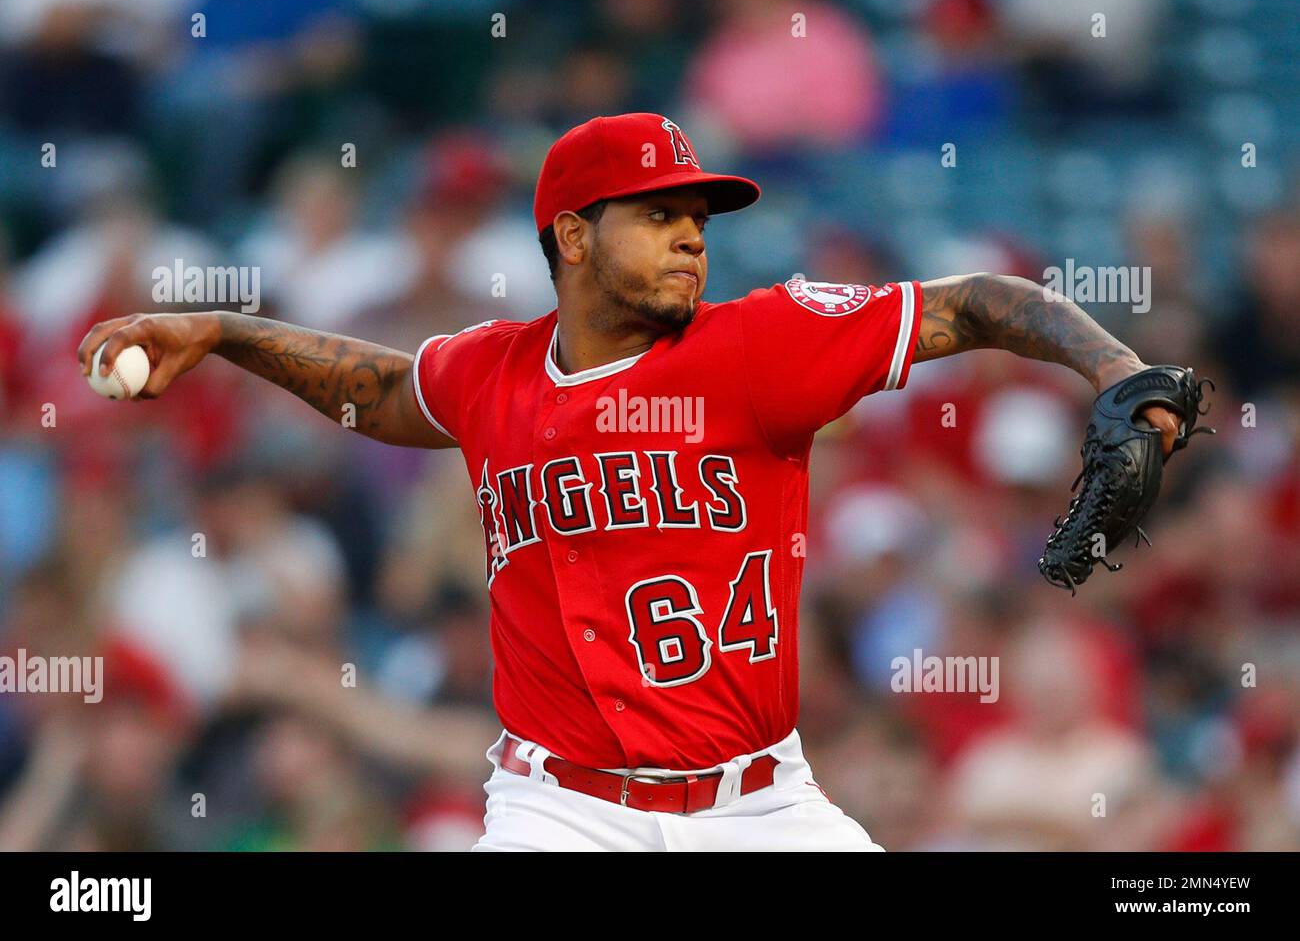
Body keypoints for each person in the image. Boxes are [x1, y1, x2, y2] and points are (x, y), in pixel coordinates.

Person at [77, 112, 1182, 851]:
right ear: (571, 232)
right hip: (558, 808)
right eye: (659, 216)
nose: (691, 240)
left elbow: (979, 300)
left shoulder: (762, 344)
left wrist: (1119, 369)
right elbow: (374, 388)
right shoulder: (488, 369)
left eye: (697, 221)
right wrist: (223, 331)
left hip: (761, 803)